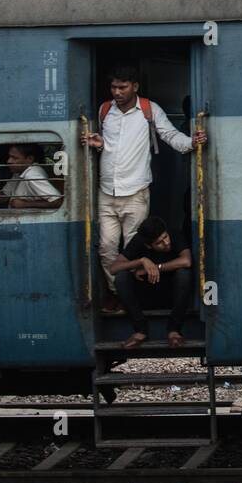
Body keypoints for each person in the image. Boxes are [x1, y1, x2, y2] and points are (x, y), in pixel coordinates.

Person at [81, 67, 207, 315]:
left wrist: (191, 142)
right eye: (114, 87)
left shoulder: (150, 110)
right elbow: (111, 147)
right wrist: (99, 145)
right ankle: (117, 294)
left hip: (136, 193)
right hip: (106, 192)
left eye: (122, 87)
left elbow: (169, 135)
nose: (117, 93)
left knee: (131, 248)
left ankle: (132, 300)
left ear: (135, 86)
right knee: (106, 247)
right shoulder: (105, 110)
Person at [108, 216, 194, 349]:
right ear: (148, 245)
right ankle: (140, 330)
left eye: (165, 237)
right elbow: (114, 268)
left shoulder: (175, 234)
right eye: (159, 242)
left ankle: (174, 330)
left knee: (184, 274)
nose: (166, 243)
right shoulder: (139, 242)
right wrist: (141, 261)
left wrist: (155, 267)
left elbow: (186, 261)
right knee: (121, 278)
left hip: (173, 295)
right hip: (148, 295)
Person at [0, 143, 62, 209]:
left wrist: (25, 204)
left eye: (14, 158)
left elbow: (57, 201)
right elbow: (0, 199)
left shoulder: (31, 175)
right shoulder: (19, 173)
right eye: (9, 157)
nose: (8, 161)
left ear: (29, 159)